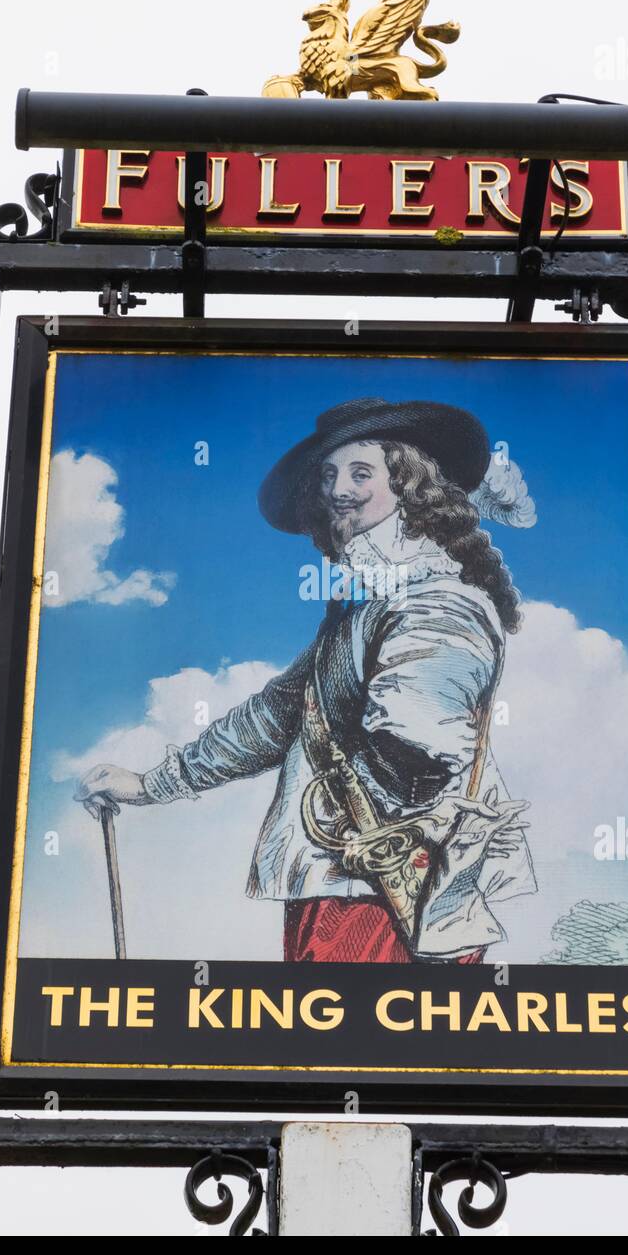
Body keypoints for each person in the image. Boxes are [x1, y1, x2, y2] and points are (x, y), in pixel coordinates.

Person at [75, 396, 536, 962]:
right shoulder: (367, 604)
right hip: (345, 885)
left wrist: (403, 752)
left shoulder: (436, 599)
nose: (337, 489)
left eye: (361, 472)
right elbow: (274, 717)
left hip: (393, 893)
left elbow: (424, 742)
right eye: (328, 475)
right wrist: (149, 785)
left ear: (409, 486)